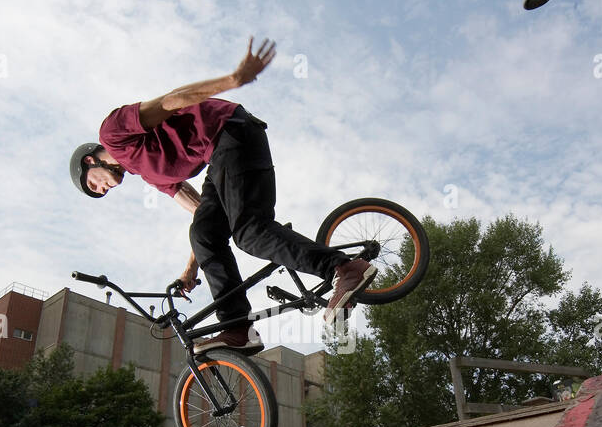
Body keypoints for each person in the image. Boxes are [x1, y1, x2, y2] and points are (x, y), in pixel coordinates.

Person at [69, 38, 375, 353]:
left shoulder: (113, 133)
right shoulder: (148, 172)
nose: (102, 190)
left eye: (94, 185)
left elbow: (171, 100)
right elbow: (201, 215)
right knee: (204, 234)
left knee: (248, 232)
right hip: (220, 160)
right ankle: (237, 329)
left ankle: (343, 269)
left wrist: (233, 80)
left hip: (232, 133)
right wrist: (191, 268)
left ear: (89, 160)